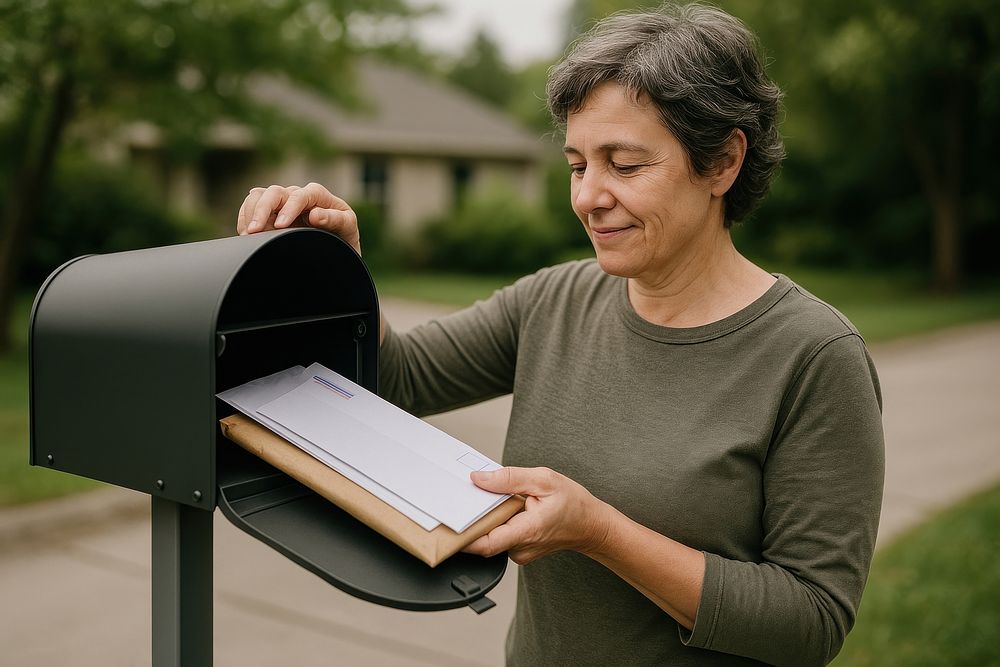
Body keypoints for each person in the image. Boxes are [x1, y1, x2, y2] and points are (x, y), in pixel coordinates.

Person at [236, 4, 884, 665]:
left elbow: (811, 621)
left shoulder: (813, 355)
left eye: (625, 164)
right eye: (578, 165)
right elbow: (396, 380)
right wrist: (334, 269)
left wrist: (600, 531)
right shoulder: (554, 299)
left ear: (722, 163)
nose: (588, 197)